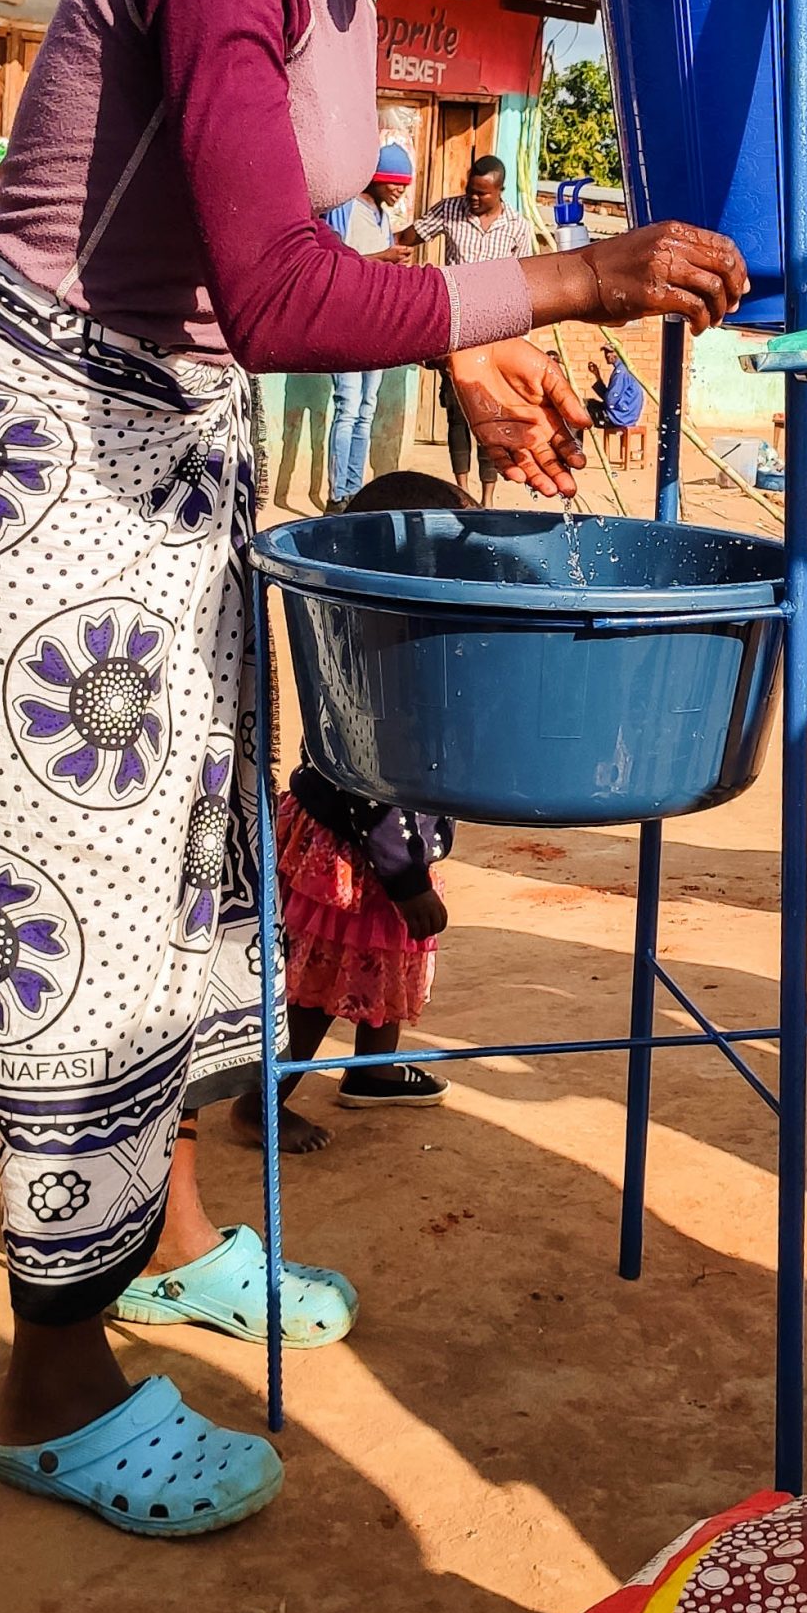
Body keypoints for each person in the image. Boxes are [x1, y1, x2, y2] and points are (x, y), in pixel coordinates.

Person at [0, 0, 747, 1538]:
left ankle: (166, 1239)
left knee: (192, 863)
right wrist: (575, 275)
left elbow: (301, 254)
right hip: (29, 446)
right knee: (80, 918)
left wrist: (480, 355)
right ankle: (52, 1373)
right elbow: (271, 284)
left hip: (158, 437)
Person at [234, 469, 464, 1157]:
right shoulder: (392, 659)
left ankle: (377, 1071)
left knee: (382, 961)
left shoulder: (364, 621)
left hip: (366, 840)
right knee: (317, 985)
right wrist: (406, 880)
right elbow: (378, 783)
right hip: (362, 851)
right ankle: (261, 1103)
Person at [403, 153, 534, 503]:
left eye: (482, 193)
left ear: (500, 192)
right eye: (470, 190)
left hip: (496, 336)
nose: (473, 198)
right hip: (457, 331)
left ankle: (488, 498)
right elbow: (408, 238)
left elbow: (527, 282)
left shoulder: (518, 227)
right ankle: (462, 491)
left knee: (490, 415)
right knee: (457, 416)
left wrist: (522, 340)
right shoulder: (449, 210)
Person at [324, 140, 415, 505]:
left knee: (366, 409)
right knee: (347, 406)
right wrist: (385, 257)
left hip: (375, 327)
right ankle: (337, 495)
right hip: (345, 322)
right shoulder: (344, 209)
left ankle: (353, 488)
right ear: (377, 177)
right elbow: (336, 264)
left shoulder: (382, 216)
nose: (398, 191)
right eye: (395, 183)